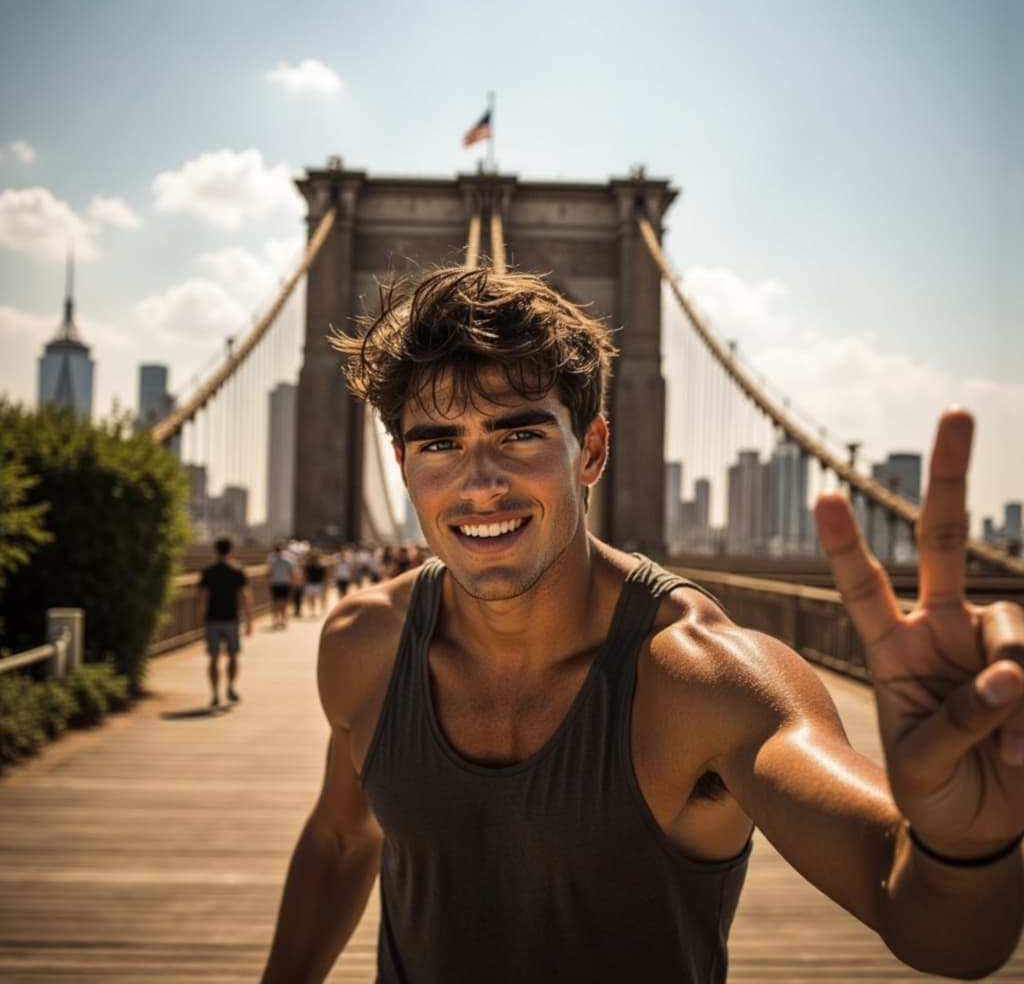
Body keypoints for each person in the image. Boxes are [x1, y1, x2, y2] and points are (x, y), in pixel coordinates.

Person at [261, 268, 1023, 983]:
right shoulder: (366, 643)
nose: (479, 484)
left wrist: (963, 847)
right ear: (402, 464)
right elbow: (341, 834)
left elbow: (935, 927)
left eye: (519, 435)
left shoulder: (702, 679)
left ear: (590, 450)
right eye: (440, 444)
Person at [197, 537, 252, 707]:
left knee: (213, 658)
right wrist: (249, 620)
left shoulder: (208, 571)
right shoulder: (237, 571)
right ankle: (230, 686)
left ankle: (214, 692)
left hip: (212, 620)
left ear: (216, 550)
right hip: (231, 620)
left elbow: (203, 599)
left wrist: (200, 620)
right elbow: (245, 597)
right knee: (233, 656)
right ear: (231, 550)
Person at [267, 542, 295, 630]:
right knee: (284, 603)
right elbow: (291, 573)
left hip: (275, 583)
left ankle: (276, 620)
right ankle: (283, 620)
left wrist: (268, 581)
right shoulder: (287, 559)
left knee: (275, 603)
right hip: (284, 583)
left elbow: (269, 572)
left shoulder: (271, 559)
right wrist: (292, 582)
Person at [304, 550, 327, 617]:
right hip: (311, 583)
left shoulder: (322, 566)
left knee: (321, 598)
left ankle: (322, 610)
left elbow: (325, 576)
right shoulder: (308, 566)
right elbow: (306, 575)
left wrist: (325, 585)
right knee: (311, 598)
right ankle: (313, 611)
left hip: (319, 583)